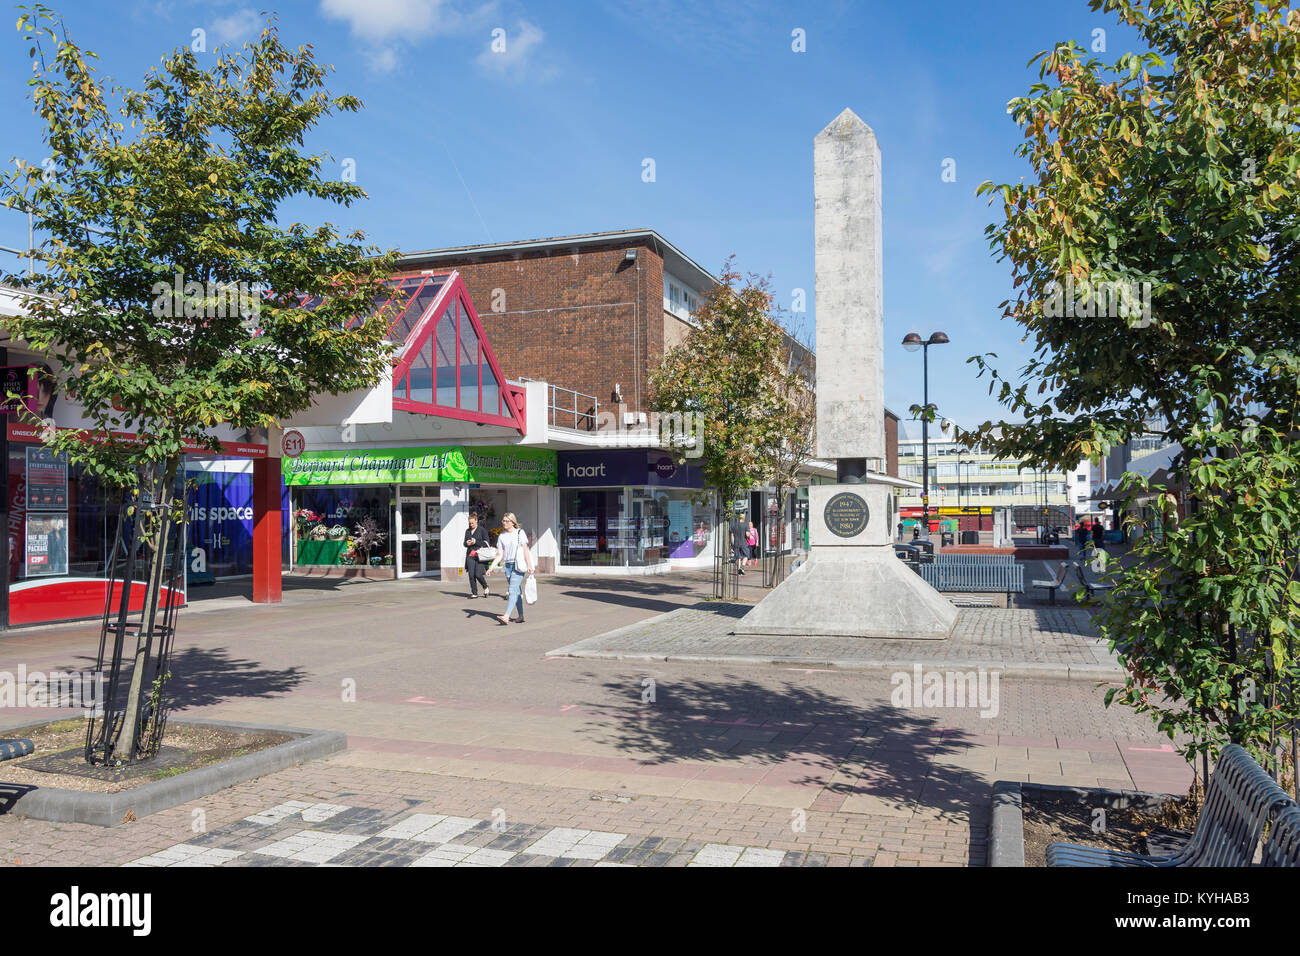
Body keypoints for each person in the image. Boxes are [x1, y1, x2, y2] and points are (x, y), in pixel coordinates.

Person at [487, 512, 532, 625]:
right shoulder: (501, 536)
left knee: (512, 590)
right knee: (516, 591)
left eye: (507, 521)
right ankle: (521, 616)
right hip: (508, 566)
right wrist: (491, 567)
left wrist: (530, 565)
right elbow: (499, 555)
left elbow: (525, 550)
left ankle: (506, 616)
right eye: (503, 521)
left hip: (518, 565)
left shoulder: (520, 533)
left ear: (513, 522)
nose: (504, 523)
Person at [464, 512, 489, 599]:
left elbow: (486, 543)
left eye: (472, 523)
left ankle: (485, 586)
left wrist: (476, 542)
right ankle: (474, 593)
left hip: (480, 556)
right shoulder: (467, 531)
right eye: (469, 523)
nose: (471, 525)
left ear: (476, 521)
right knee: (471, 575)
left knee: (478, 574)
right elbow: (464, 543)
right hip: (470, 555)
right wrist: (467, 543)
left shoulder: (482, 530)